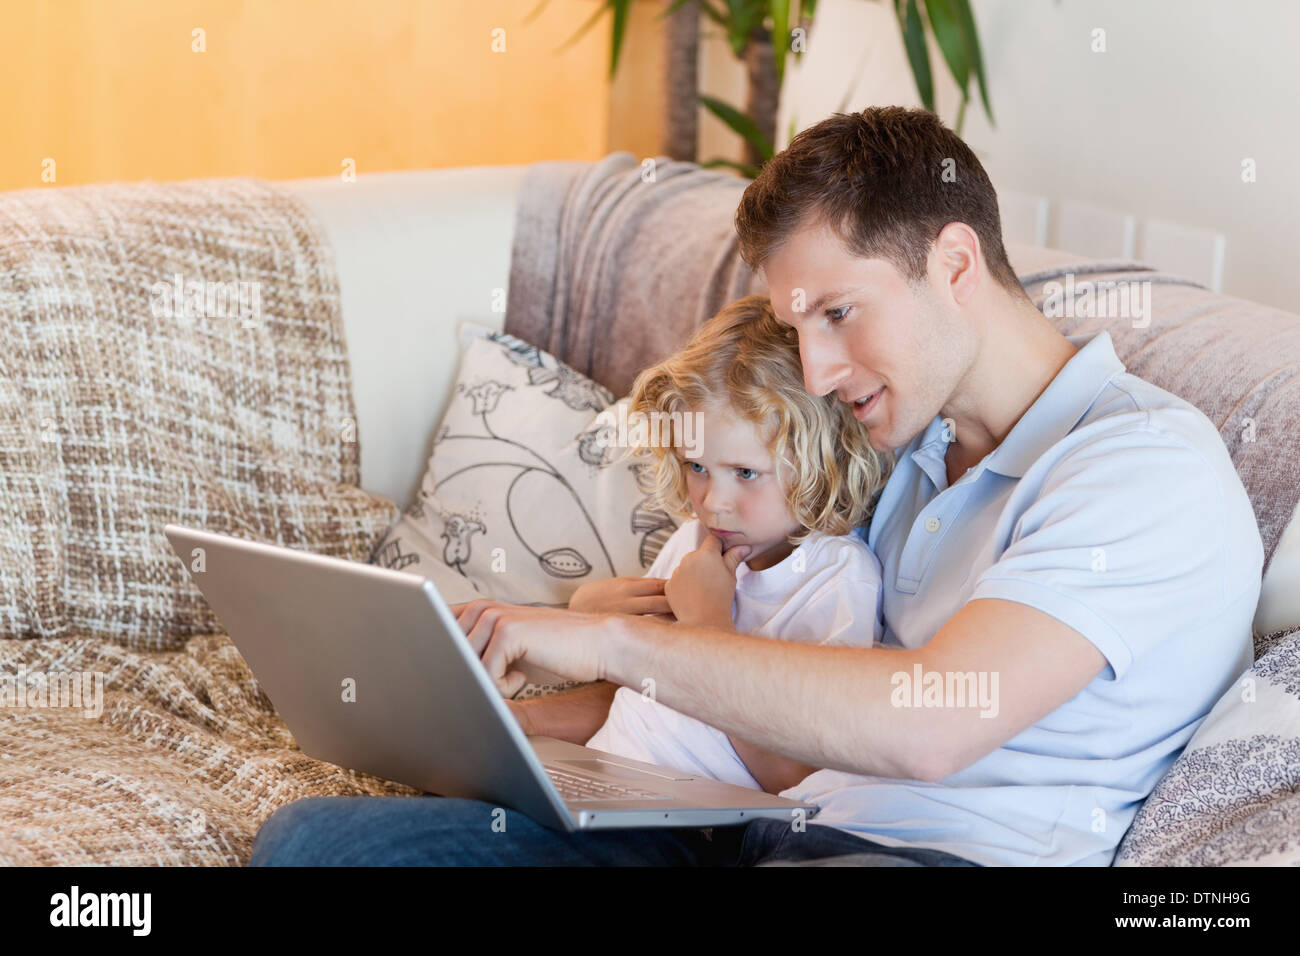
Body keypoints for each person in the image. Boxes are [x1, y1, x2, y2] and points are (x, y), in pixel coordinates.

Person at [249, 106, 1262, 867]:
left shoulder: (1140, 467)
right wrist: (552, 647)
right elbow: (763, 624)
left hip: (920, 860)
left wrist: (620, 641)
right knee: (317, 843)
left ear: (954, 263)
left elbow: (930, 721)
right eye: (798, 324)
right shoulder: (900, 452)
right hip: (745, 826)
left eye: (838, 312)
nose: (818, 370)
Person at [574, 294, 890, 791]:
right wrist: (589, 615)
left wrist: (708, 626)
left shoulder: (835, 578)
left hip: (681, 827)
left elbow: (793, 775)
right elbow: (634, 689)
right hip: (603, 779)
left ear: (822, 461)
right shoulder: (693, 543)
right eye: (697, 466)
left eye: (746, 472)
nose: (714, 502)